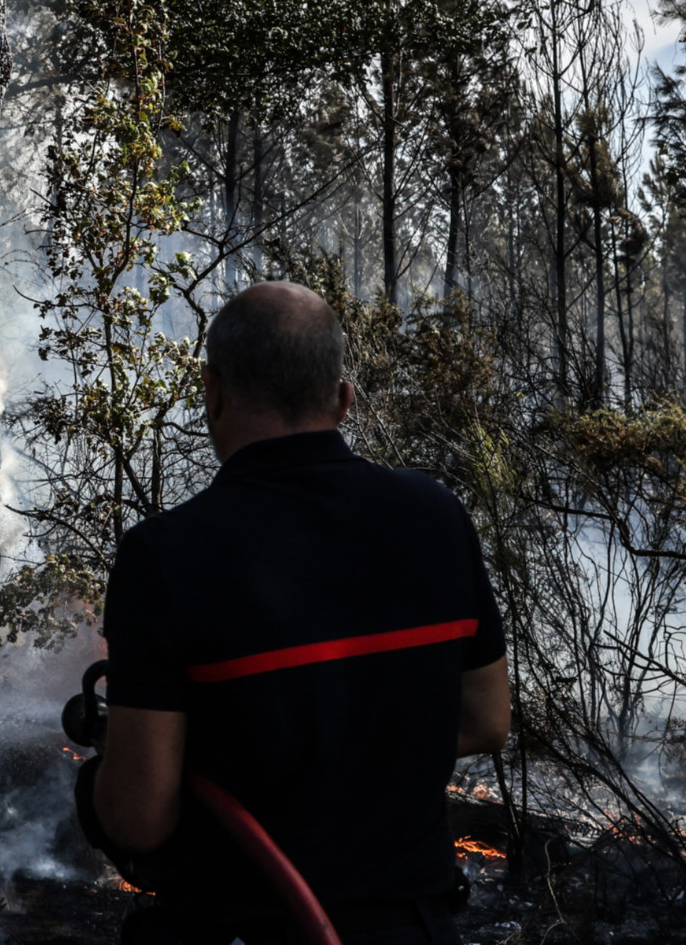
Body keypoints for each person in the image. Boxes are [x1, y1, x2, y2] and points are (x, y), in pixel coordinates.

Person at [80, 281, 511, 945]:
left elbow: (140, 819)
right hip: (417, 928)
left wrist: (100, 781)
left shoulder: (165, 556)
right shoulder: (436, 516)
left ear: (213, 393)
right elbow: (487, 720)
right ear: (343, 398)